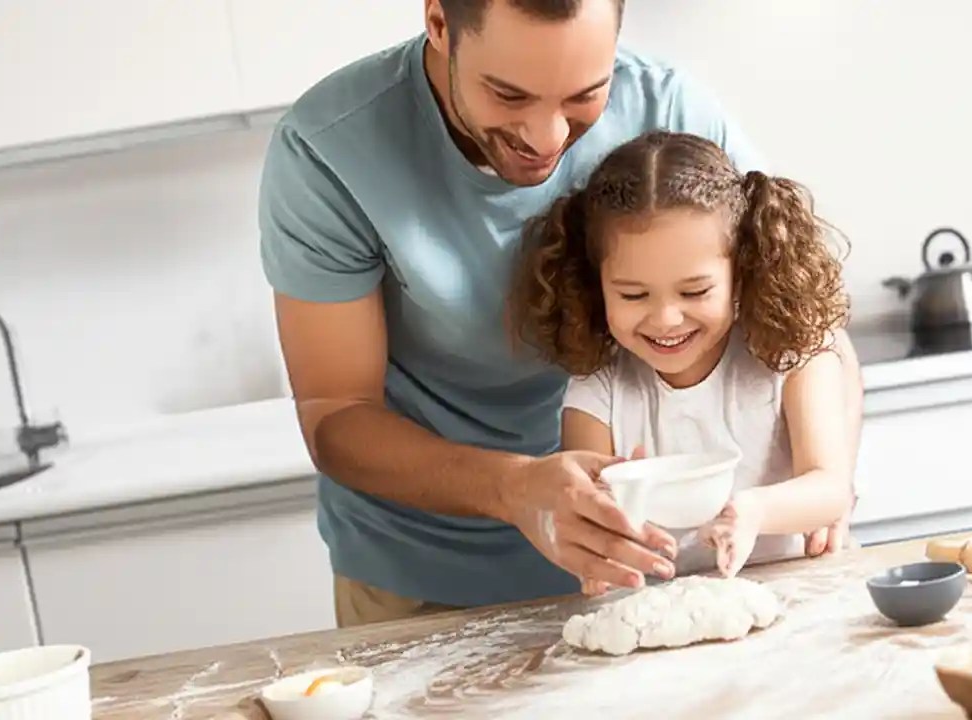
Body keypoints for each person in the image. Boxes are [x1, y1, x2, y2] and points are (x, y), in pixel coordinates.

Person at [258, 0, 865, 626]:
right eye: (508, 95)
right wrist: (515, 487)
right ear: (439, 25)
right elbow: (338, 416)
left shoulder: (668, 110)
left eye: (586, 95)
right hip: (428, 569)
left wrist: (824, 483)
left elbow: (806, 321)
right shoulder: (329, 152)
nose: (546, 138)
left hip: (641, 574)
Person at [509, 130, 860, 595]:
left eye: (695, 291)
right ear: (596, 285)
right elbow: (591, 510)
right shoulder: (599, 387)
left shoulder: (791, 357)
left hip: (799, 598)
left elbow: (830, 486)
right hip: (663, 618)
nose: (665, 318)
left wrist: (752, 512)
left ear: (742, 271)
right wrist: (605, 532)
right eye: (633, 294)